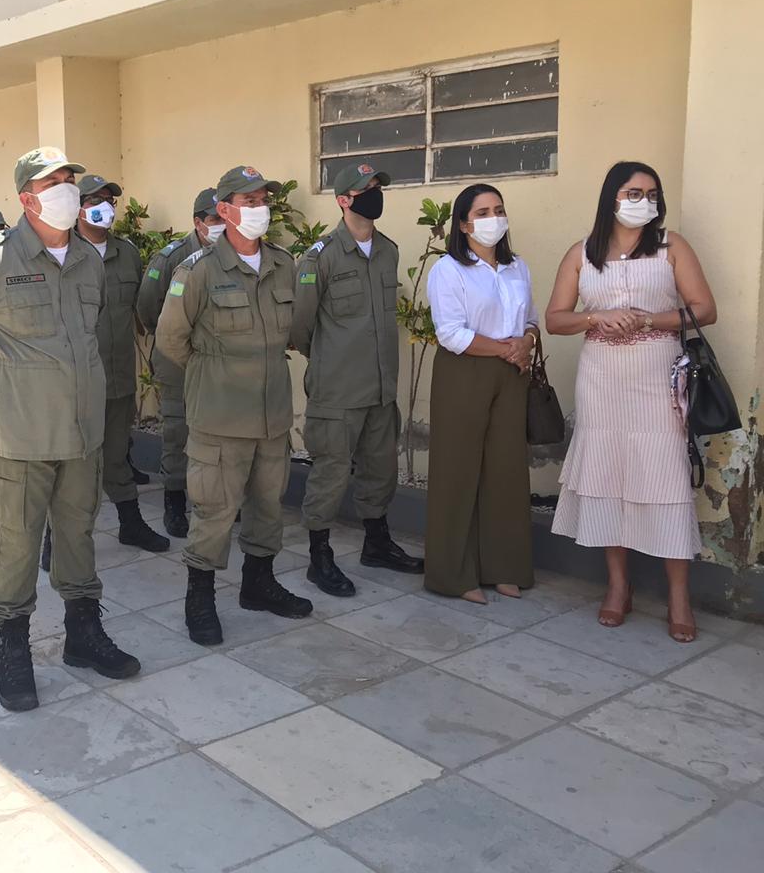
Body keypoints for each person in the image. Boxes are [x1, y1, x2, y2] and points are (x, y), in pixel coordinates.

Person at [0, 146, 141, 712]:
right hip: (20, 436)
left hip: (81, 432)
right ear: (27, 198)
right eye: (56, 183)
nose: (69, 190)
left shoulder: (89, 260)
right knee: (18, 545)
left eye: (71, 179)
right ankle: (13, 646)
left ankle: (82, 633)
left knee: (77, 535)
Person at [546, 162, 714, 643]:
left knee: (664, 477)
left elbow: (705, 309)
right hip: (600, 381)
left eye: (652, 193)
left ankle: (678, 594)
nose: (645, 200)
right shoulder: (582, 253)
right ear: (611, 197)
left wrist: (647, 320)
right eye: (634, 191)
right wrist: (596, 317)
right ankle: (618, 588)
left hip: (656, 377)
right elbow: (556, 318)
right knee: (609, 475)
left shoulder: (670, 246)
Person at [156, 166, 313, 645]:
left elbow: (294, 333)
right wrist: (214, 375)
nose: (260, 208)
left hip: (272, 417)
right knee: (214, 513)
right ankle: (199, 600)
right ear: (224, 210)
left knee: (268, 507)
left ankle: (258, 585)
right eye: (248, 201)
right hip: (220, 419)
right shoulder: (198, 270)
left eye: (263, 199)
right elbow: (171, 339)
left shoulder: (284, 265)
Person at [292, 162, 423, 598]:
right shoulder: (320, 256)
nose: (374, 193)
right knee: (329, 473)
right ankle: (319, 555)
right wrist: (332, 360)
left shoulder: (388, 250)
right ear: (344, 200)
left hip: (382, 386)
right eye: (365, 189)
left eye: (377, 186)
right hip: (337, 389)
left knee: (380, 469)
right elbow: (300, 327)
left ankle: (377, 542)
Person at [40, 174, 168, 570]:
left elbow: (139, 310)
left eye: (110, 199)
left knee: (116, 455)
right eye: (95, 199)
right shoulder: (60, 255)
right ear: (77, 206)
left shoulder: (127, 254)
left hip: (117, 378)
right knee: (68, 464)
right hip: (73, 384)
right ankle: (54, 540)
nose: (105, 207)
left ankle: (131, 523)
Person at [424, 184, 537, 603]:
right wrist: (507, 348)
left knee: (506, 470)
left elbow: (532, 318)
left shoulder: (517, 267)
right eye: (484, 211)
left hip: (511, 374)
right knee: (458, 470)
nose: (494, 218)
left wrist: (526, 340)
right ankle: (454, 574)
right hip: (465, 372)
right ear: (464, 223)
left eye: (499, 209)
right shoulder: (448, 270)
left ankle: (505, 566)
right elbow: (451, 333)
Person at [136, 187, 221, 538]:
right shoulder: (170, 258)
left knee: (218, 433)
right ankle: (174, 499)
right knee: (178, 431)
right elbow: (147, 308)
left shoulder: (233, 256)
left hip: (217, 364)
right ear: (198, 222)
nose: (221, 226)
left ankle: (214, 499)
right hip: (177, 362)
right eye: (214, 220)